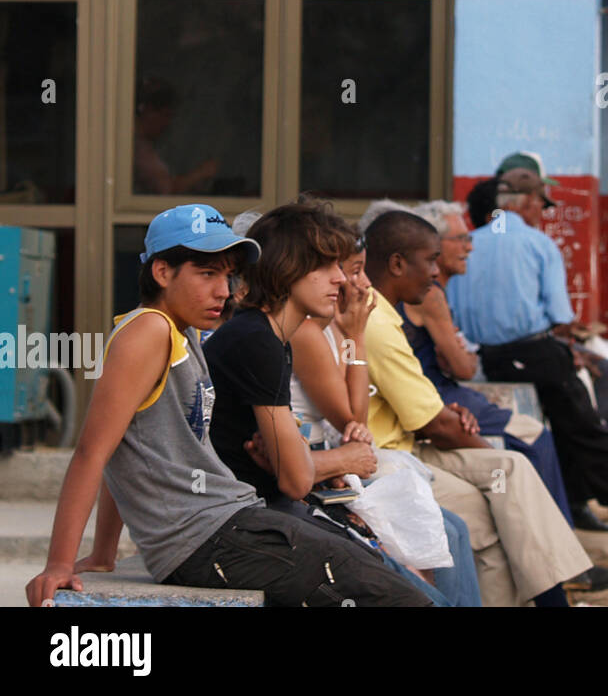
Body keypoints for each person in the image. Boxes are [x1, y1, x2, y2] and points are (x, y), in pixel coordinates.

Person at [27, 204, 430, 608]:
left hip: (231, 521)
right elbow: (93, 451)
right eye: (207, 274)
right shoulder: (147, 331)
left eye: (227, 275)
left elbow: (129, 443)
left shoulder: (184, 337)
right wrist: (59, 562)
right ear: (162, 272)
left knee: (379, 568)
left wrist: (104, 553)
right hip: (207, 538)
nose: (223, 290)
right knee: (395, 597)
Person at [203, 201, 457, 605]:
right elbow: (296, 476)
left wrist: (314, 460)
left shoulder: (274, 336)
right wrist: (342, 459)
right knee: (415, 596)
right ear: (287, 269)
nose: (341, 279)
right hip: (243, 519)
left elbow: (313, 452)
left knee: (436, 546)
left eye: (346, 267)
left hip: (274, 504)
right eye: (327, 267)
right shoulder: (259, 339)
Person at [362, 209, 596, 604]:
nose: (436, 270)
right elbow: (442, 409)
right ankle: (555, 597)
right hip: (394, 455)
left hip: (413, 437)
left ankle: (556, 593)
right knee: (499, 490)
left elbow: (432, 403)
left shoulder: (384, 313)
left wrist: (449, 417)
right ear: (398, 263)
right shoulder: (376, 321)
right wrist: (461, 431)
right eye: (431, 260)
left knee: (511, 471)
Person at [445, 170, 608, 562]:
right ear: (526, 203)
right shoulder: (539, 245)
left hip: (475, 360)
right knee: (587, 431)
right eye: (541, 203)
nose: (543, 212)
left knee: (566, 423)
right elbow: (558, 316)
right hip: (533, 357)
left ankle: (575, 508)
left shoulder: (465, 245)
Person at [397, 199, 608, 532]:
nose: (470, 247)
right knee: (535, 440)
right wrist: (460, 356)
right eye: (461, 239)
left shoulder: (428, 290)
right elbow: (464, 368)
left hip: (439, 393)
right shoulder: (431, 293)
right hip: (438, 397)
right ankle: (557, 537)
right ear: (434, 247)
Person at [288, 240, 483, 607]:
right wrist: (358, 337)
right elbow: (350, 416)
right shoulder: (308, 332)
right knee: (432, 538)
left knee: (453, 528)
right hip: (323, 476)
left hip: (343, 465)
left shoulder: (334, 328)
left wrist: (352, 338)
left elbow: (354, 417)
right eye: (353, 271)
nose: (364, 285)